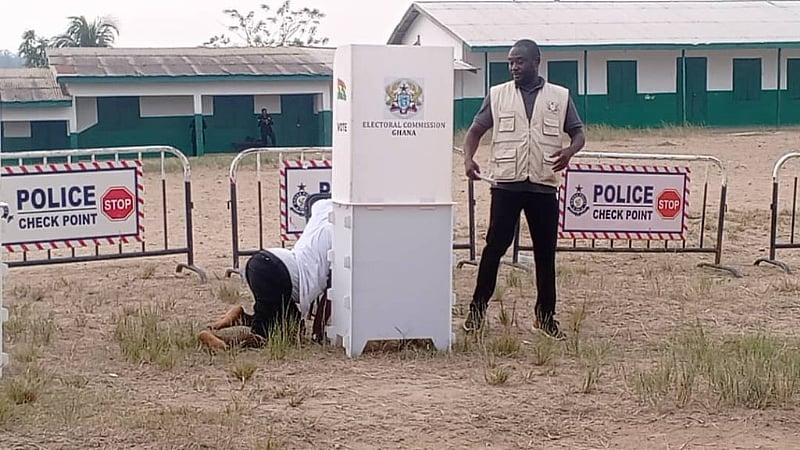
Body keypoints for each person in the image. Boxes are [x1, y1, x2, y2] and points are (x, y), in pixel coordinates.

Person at [461, 39, 586, 340]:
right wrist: (468, 158)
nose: (514, 66)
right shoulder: (498, 95)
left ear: (536, 61)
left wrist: (570, 152)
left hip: (543, 185)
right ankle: (476, 312)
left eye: (519, 61)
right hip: (506, 184)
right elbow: (475, 131)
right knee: (494, 249)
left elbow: (579, 134)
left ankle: (545, 318)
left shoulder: (560, 96)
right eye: (510, 62)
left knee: (546, 254)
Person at [198, 198, 333, 350]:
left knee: (294, 329)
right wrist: (318, 333)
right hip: (279, 274)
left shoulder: (325, 208)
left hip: (268, 259)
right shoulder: (342, 235)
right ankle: (221, 341)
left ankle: (240, 317)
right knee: (263, 336)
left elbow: (317, 203)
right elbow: (331, 293)